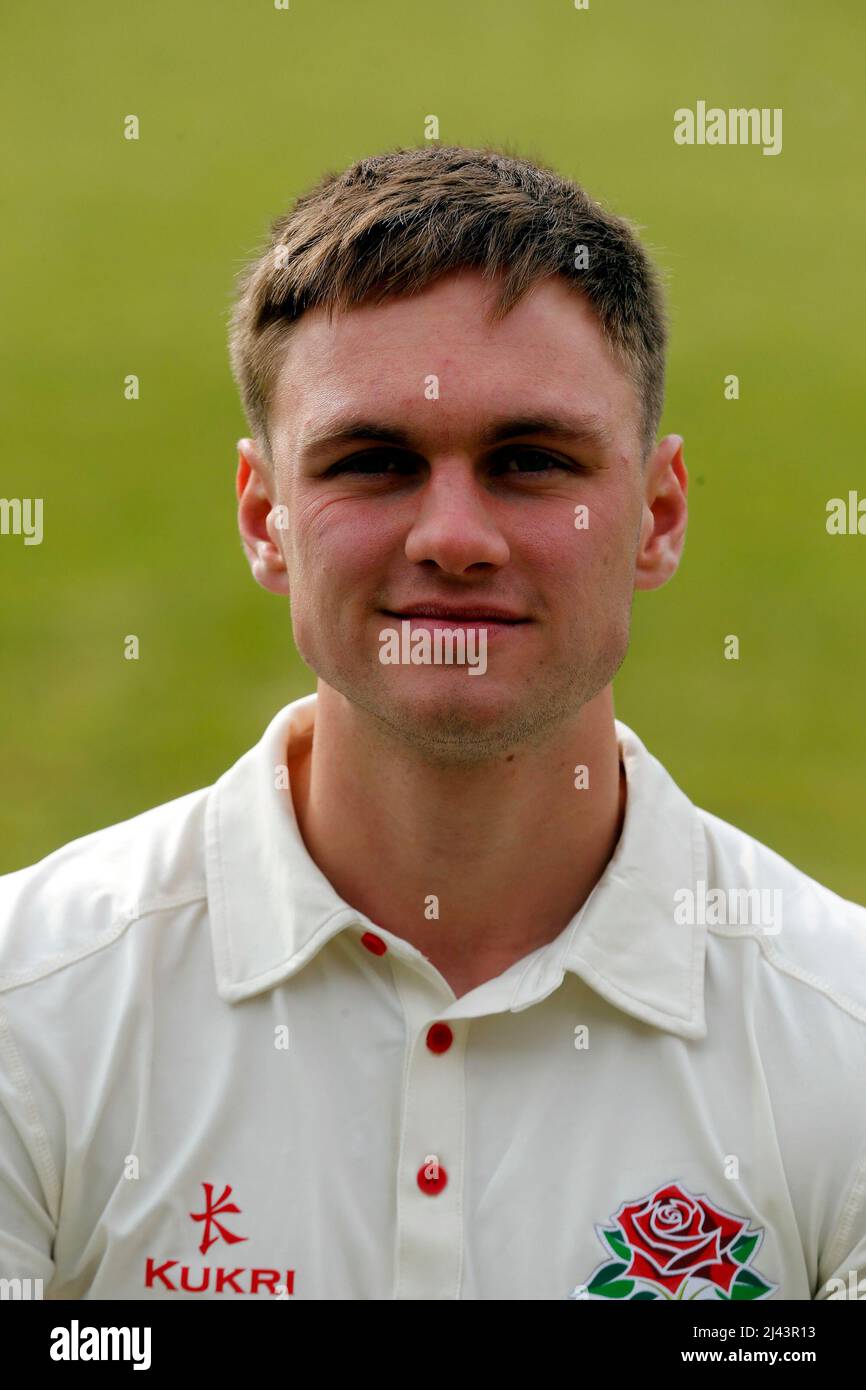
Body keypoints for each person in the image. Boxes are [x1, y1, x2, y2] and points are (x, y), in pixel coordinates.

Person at [1, 145, 863, 1302]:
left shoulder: (840, 1039)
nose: (452, 536)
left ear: (656, 516)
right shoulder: (30, 1007)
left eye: (527, 460)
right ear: (265, 517)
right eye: (373, 462)